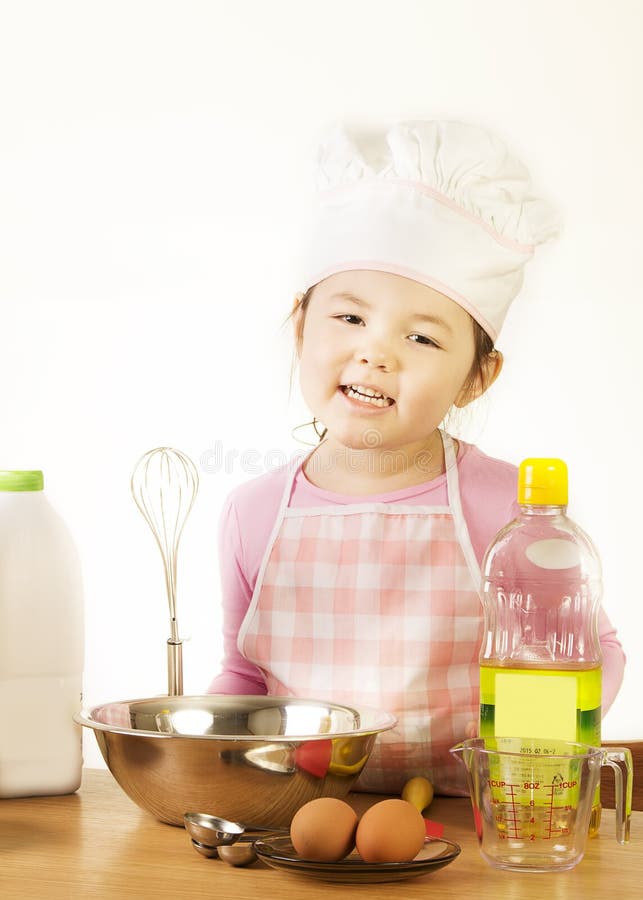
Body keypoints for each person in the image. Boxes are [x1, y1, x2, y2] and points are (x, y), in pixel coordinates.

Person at [208, 120, 625, 794]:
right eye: (349, 318)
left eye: (421, 337)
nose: (376, 352)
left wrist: (533, 755)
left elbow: (591, 651)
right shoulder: (252, 513)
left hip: (471, 823)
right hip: (304, 817)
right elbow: (244, 677)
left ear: (475, 377)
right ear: (299, 326)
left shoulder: (509, 508)